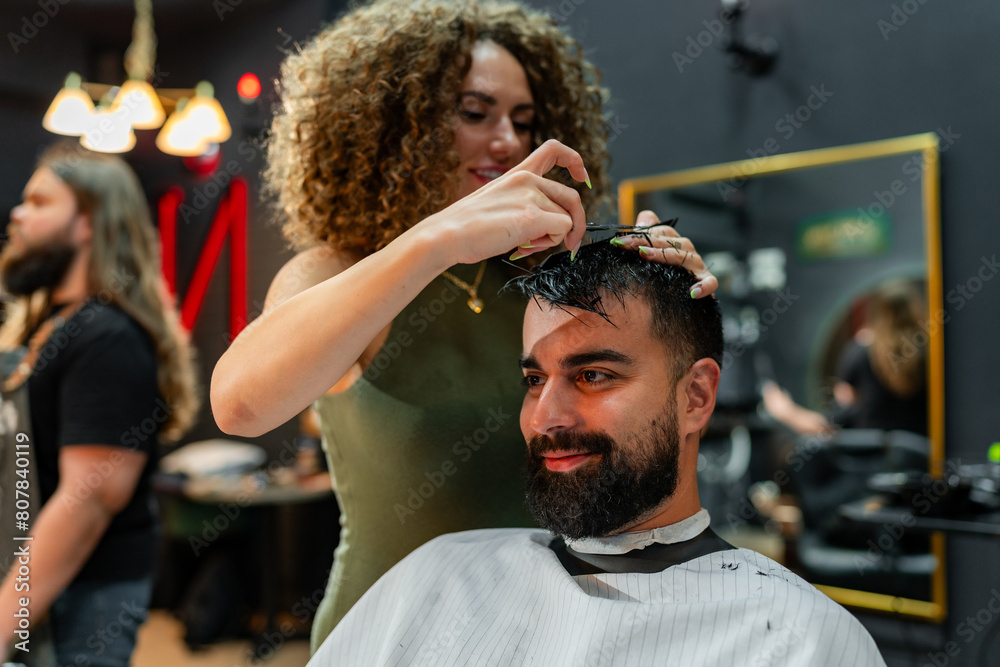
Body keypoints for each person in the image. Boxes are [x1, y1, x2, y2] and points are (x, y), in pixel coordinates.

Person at [210, 0, 718, 649]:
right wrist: (435, 241)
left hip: (542, 629)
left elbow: (646, 436)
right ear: (393, 125)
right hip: (392, 632)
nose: (507, 140)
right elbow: (241, 404)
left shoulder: (547, 282)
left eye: (524, 120)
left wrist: (676, 307)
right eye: (474, 113)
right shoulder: (341, 271)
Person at [307, 242, 886, 666]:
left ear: (697, 395)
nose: (545, 417)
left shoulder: (795, 641)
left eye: (594, 375)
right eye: (535, 380)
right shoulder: (438, 575)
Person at [0, 144, 199, 665]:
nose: (18, 214)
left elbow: (88, 499)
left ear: (88, 222)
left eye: (40, 202)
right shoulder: (54, 325)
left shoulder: (108, 337)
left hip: (82, 600)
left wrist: (5, 619)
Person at [762, 278, 928, 436]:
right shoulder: (930, 355)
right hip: (920, 458)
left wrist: (785, 410)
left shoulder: (860, 353)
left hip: (871, 461)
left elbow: (829, 425)